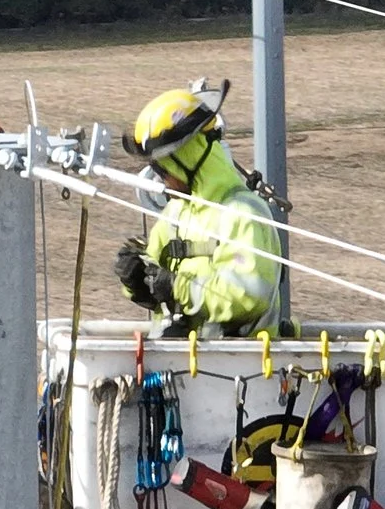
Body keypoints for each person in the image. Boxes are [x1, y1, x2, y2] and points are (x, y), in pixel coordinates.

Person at [113, 81, 281, 336]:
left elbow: (248, 296)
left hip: (239, 366)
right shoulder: (175, 215)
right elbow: (156, 276)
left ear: (188, 159)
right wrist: (136, 281)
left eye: (164, 168)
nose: (161, 178)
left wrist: (177, 286)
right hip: (180, 362)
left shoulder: (244, 215)